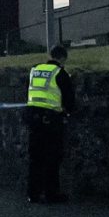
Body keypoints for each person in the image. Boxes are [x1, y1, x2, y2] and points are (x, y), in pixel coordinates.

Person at [26, 45, 76, 203]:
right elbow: (69, 99)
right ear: (62, 58)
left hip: (33, 118)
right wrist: (69, 112)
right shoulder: (60, 73)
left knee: (35, 158)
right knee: (52, 158)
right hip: (52, 120)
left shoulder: (35, 69)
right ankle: (51, 194)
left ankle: (33, 194)